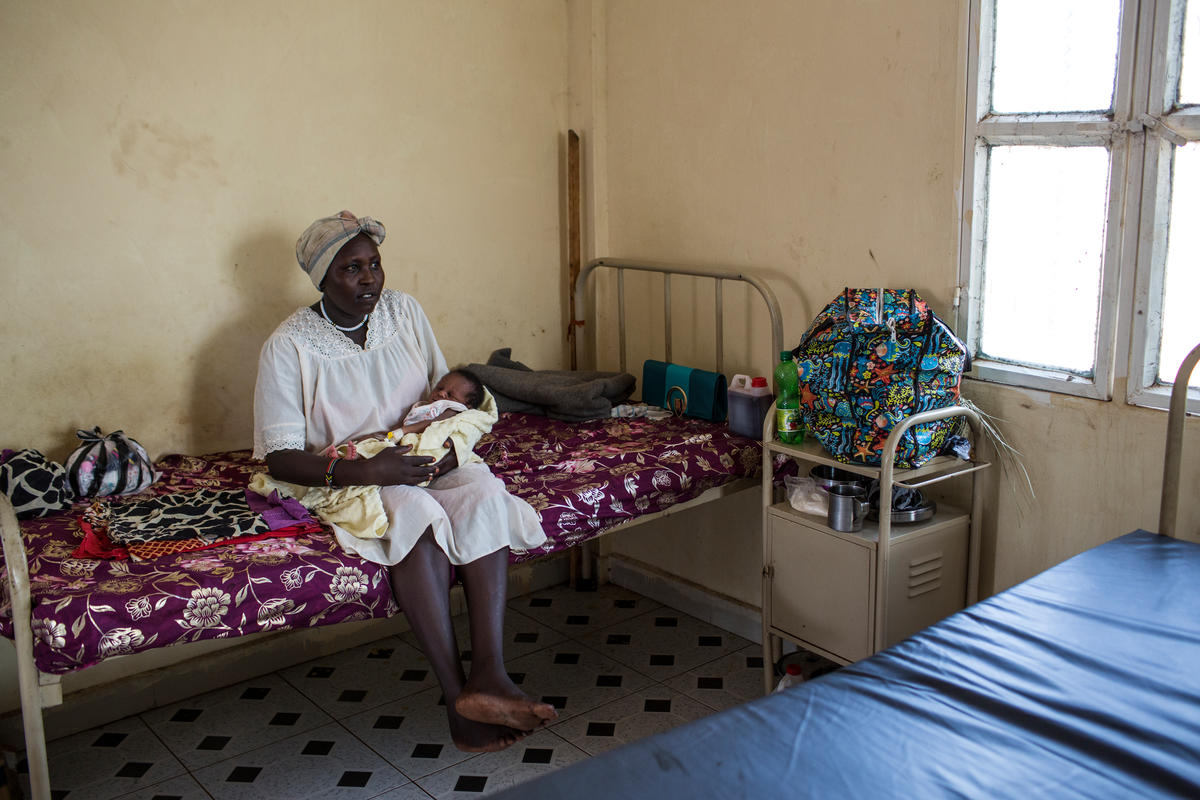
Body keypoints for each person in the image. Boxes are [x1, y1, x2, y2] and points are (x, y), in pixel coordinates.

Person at [253, 210, 557, 752]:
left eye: (374, 264)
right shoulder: (289, 345)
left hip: (420, 457)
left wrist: (445, 449)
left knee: (484, 493)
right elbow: (279, 458)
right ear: (322, 279)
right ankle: (455, 698)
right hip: (348, 471)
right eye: (351, 269)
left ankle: (490, 674)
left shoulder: (405, 312)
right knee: (416, 514)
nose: (369, 278)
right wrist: (367, 470)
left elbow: (444, 400)